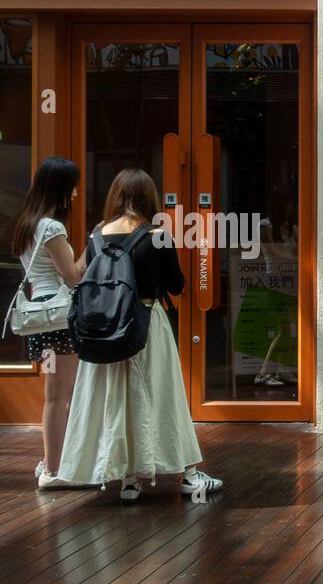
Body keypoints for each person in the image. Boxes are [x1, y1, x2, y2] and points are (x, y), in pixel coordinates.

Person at [54, 169, 221, 500]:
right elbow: (177, 285)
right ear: (150, 198)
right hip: (146, 324)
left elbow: (79, 276)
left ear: (115, 196)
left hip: (103, 328)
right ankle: (187, 474)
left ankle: (128, 478)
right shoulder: (157, 235)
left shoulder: (96, 235)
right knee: (161, 396)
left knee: (115, 401)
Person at [11, 157, 83, 488]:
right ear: (62, 188)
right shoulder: (52, 228)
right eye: (73, 186)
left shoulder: (27, 224)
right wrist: (93, 246)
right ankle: (55, 470)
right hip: (58, 319)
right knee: (61, 393)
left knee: (54, 392)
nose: (76, 193)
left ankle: (48, 462)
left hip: (42, 319)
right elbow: (71, 277)